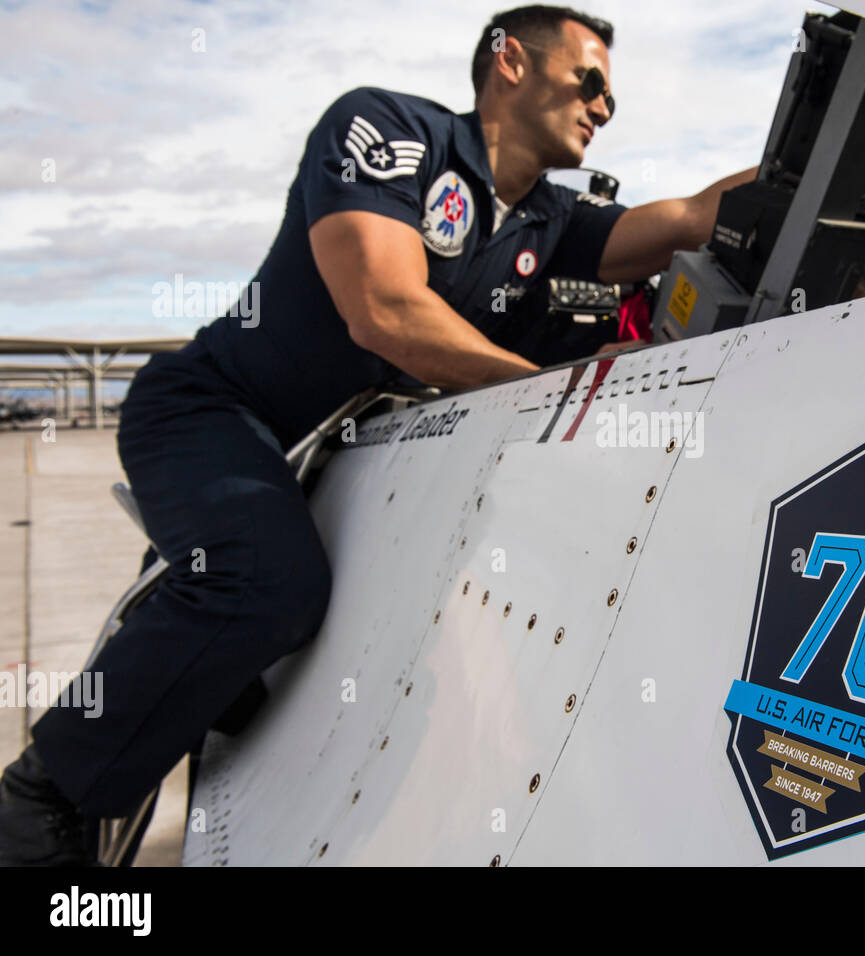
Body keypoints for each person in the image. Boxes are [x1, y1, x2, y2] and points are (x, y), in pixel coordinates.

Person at [0, 4, 757, 866]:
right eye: (590, 81)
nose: (603, 107)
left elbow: (698, 217)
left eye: (613, 99)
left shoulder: (551, 221)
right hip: (213, 412)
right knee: (264, 585)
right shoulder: (391, 131)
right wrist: (554, 392)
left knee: (257, 672)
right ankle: (39, 799)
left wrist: (827, 160)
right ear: (509, 62)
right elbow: (387, 313)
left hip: (320, 448)